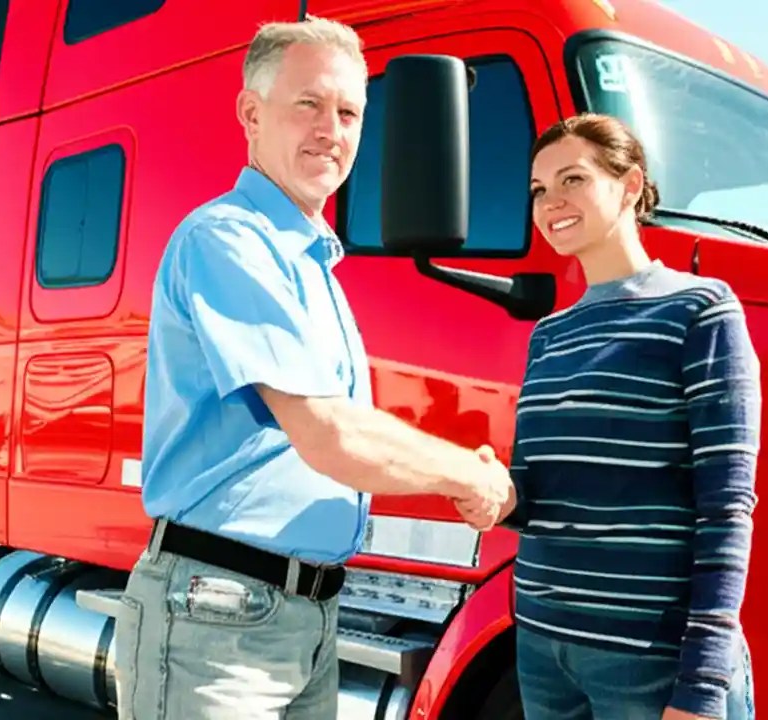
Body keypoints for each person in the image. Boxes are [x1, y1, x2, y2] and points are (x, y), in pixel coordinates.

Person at [112, 16, 512, 720]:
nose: (332, 129)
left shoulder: (314, 262)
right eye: (309, 104)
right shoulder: (228, 240)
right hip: (219, 622)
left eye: (349, 111)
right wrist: (470, 475)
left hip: (306, 618)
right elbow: (332, 435)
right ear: (251, 113)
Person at [492, 112, 761, 720]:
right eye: (538, 190)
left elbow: (726, 508)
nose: (550, 202)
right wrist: (493, 492)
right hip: (542, 648)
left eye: (572, 180)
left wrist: (703, 684)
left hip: (650, 659)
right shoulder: (550, 335)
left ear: (631, 184)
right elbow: (539, 496)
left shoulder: (700, 310)